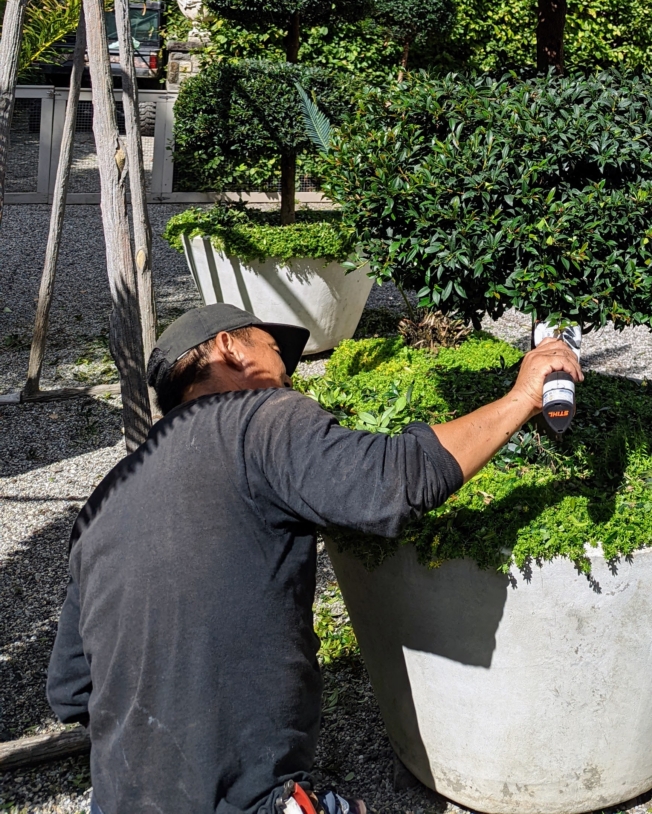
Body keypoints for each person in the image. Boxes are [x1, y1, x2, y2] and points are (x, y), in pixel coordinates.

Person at [46, 302, 582, 814]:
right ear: (231, 348)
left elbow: (70, 691)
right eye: (275, 351)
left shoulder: (104, 501)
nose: (289, 374)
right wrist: (523, 397)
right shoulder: (256, 419)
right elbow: (391, 483)